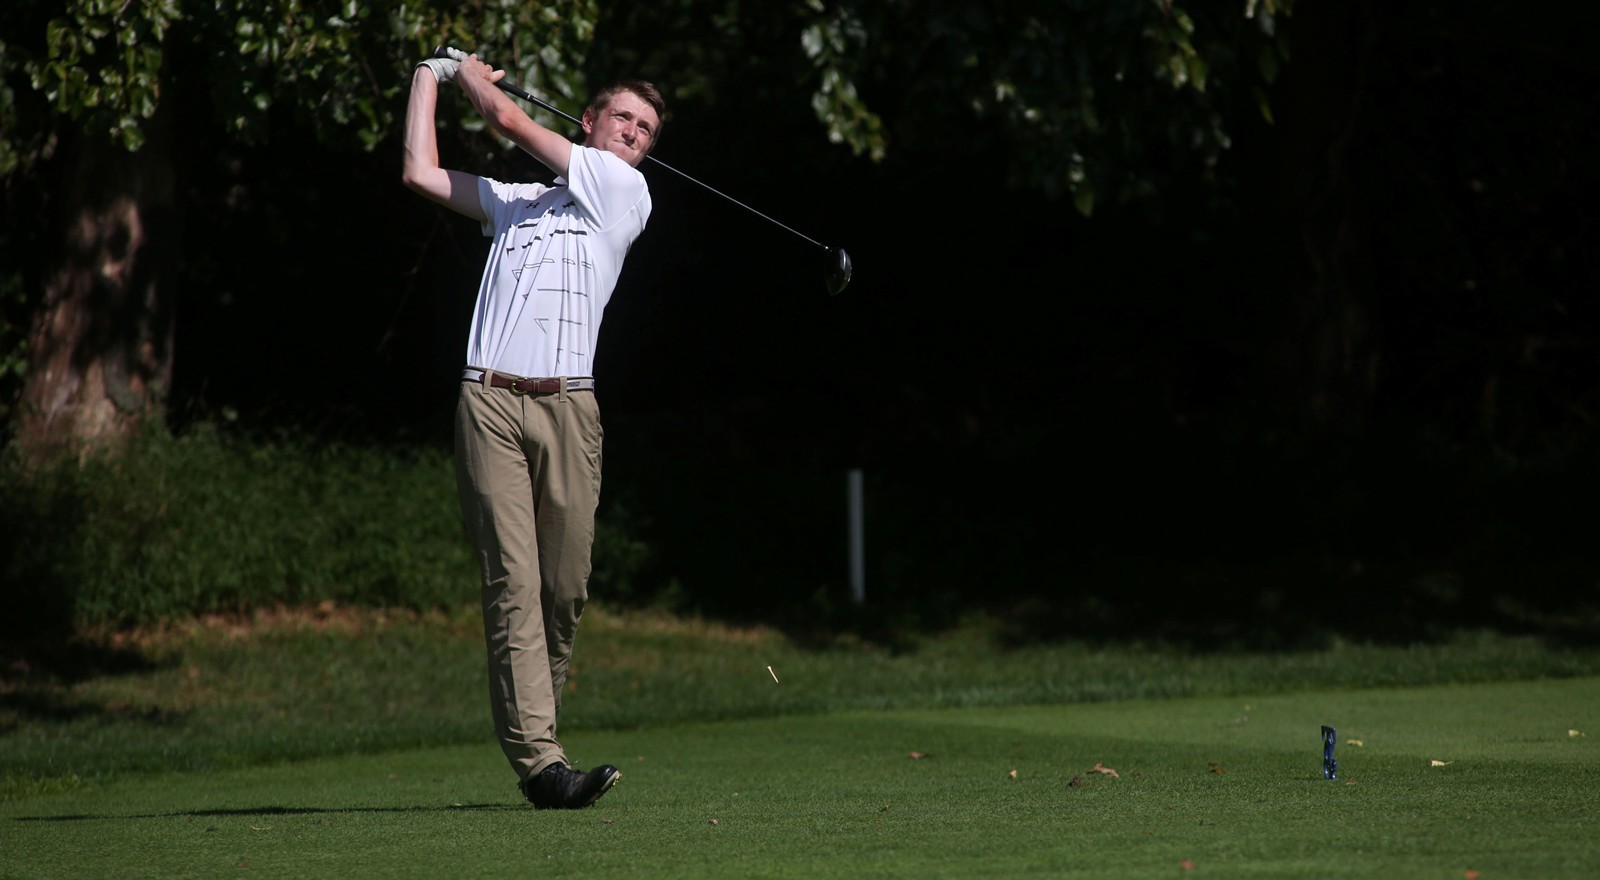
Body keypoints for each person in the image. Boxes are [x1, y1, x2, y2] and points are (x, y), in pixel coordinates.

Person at [402, 52, 664, 810]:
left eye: (646, 130)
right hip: (488, 403)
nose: (634, 133)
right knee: (512, 581)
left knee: (563, 589)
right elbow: (420, 172)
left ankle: (541, 733)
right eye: (623, 118)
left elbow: (509, 119)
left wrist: (470, 78)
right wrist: (428, 75)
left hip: (570, 410)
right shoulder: (515, 203)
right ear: (588, 120)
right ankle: (542, 762)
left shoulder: (624, 191)